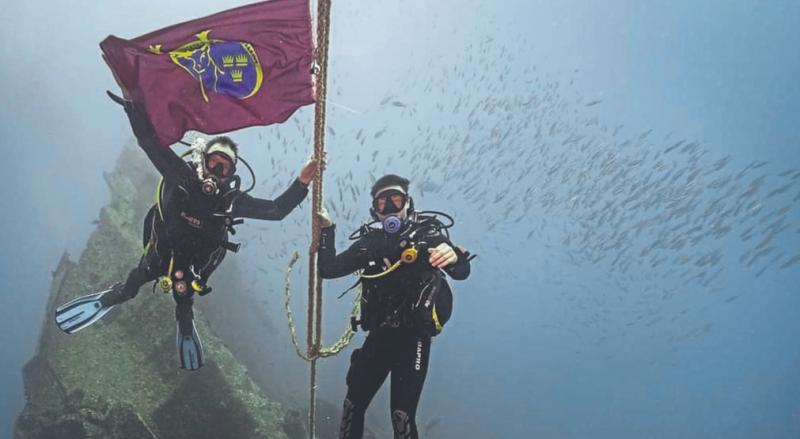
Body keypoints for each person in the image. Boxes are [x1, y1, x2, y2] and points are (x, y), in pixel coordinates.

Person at [54, 92, 319, 371]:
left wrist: (301, 182)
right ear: (202, 160)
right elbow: (148, 142)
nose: (217, 171)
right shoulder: (179, 174)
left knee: (183, 295)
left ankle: (185, 321)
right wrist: (133, 105)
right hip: (160, 252)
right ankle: (111, 297)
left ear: (231, 176)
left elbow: (276, 210)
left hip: (190, 266)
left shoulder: (230, 201)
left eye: (224, 168)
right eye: (214, 162)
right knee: (135, 282)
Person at [317, 174, 473, 439]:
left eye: (396, 199)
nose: (389, 208)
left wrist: (454, 256)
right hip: (379, 337)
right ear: (374, 211)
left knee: (401, 416)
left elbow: (461, 272)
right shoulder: (369, 245)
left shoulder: (428, 236)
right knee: (351, 407)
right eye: (382, 203)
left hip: (414, 340)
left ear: (408, 204)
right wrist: (326, 231)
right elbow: (328, 269)